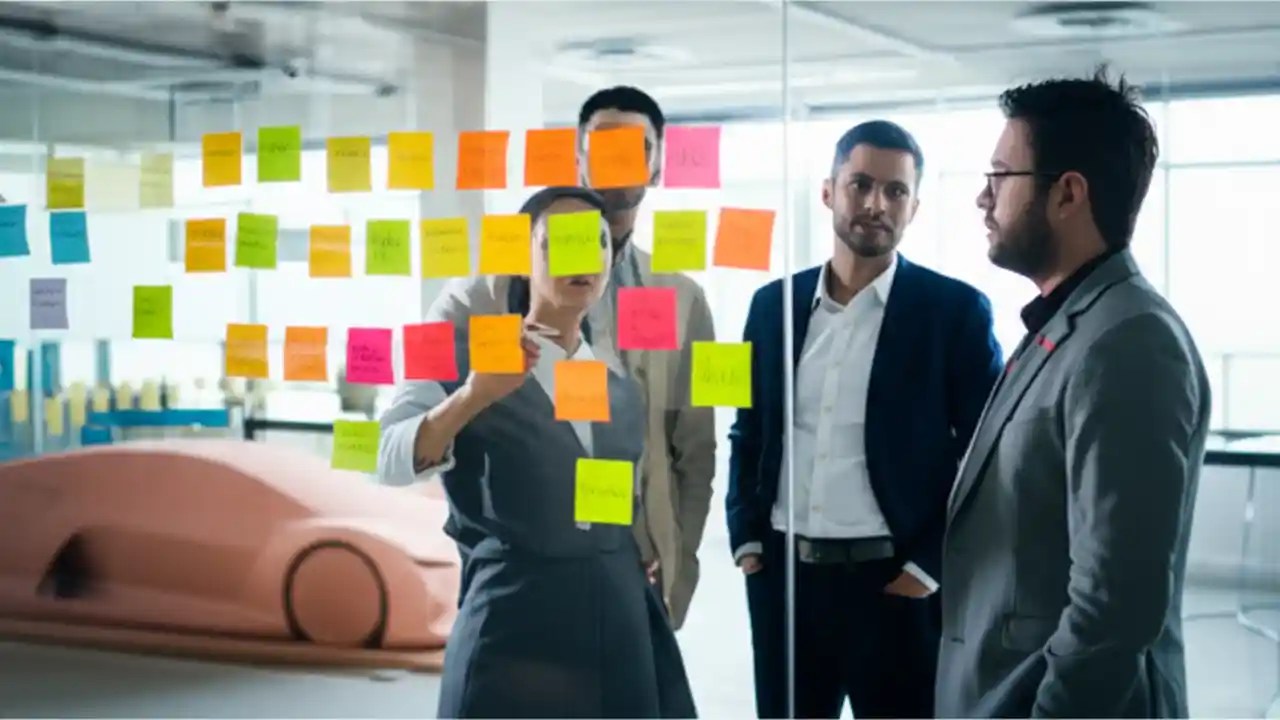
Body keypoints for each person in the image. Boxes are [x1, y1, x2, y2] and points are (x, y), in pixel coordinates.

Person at [935, 67, 1211, 718]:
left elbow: (1116, 602)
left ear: (1068, 194)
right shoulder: (1069, 324)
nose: (982, 198)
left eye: (1000, 177)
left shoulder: (1130, 340)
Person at [378, 187, 697, 719]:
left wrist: (634, 554)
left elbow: (601, 503)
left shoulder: (617, 384)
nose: (583, 260)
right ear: (522, 256)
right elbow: (388, 459)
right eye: (561, 242)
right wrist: (473, 395)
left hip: (616, 625)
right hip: (514, 629)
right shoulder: (463, 354)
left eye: (596, 242)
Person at [726, 120, 1003, 719]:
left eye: (895, 191)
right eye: (861, 185)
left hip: (895, 584)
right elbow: (748, 429)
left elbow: (988, 457)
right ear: (829, 192)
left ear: (914, 206)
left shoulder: (953, 313)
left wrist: (929, 568)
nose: (877, 204)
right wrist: (747, 539)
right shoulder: (772, 306)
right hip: (786, 582)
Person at [427, 85, 717, 630]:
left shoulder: (683, 298)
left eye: (638, 148)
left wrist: (679, 556)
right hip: (526, 562)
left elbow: (695, 448)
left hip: (640, 563)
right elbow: (430, 414)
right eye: (604, 146)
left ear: (658, 167)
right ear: (577, 160)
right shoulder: (489, 290)